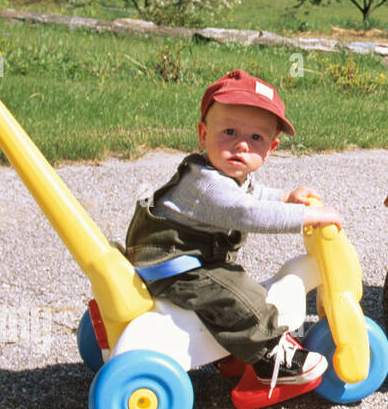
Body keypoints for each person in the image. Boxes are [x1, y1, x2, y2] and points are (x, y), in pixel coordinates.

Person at [125, 69, 344, 390]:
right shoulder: (206, 184)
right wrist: (307, 217)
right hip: (174, 265)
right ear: (202, 135)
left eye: (256, 138)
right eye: (229, 131)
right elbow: (247, 212)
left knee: (231, 282)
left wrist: (286, 197)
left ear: (270, 149)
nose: (241, 145)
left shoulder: (227, 174)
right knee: (240, 295)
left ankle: (230, 347)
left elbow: (253, 194)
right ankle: (271, 358)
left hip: (187, 259)